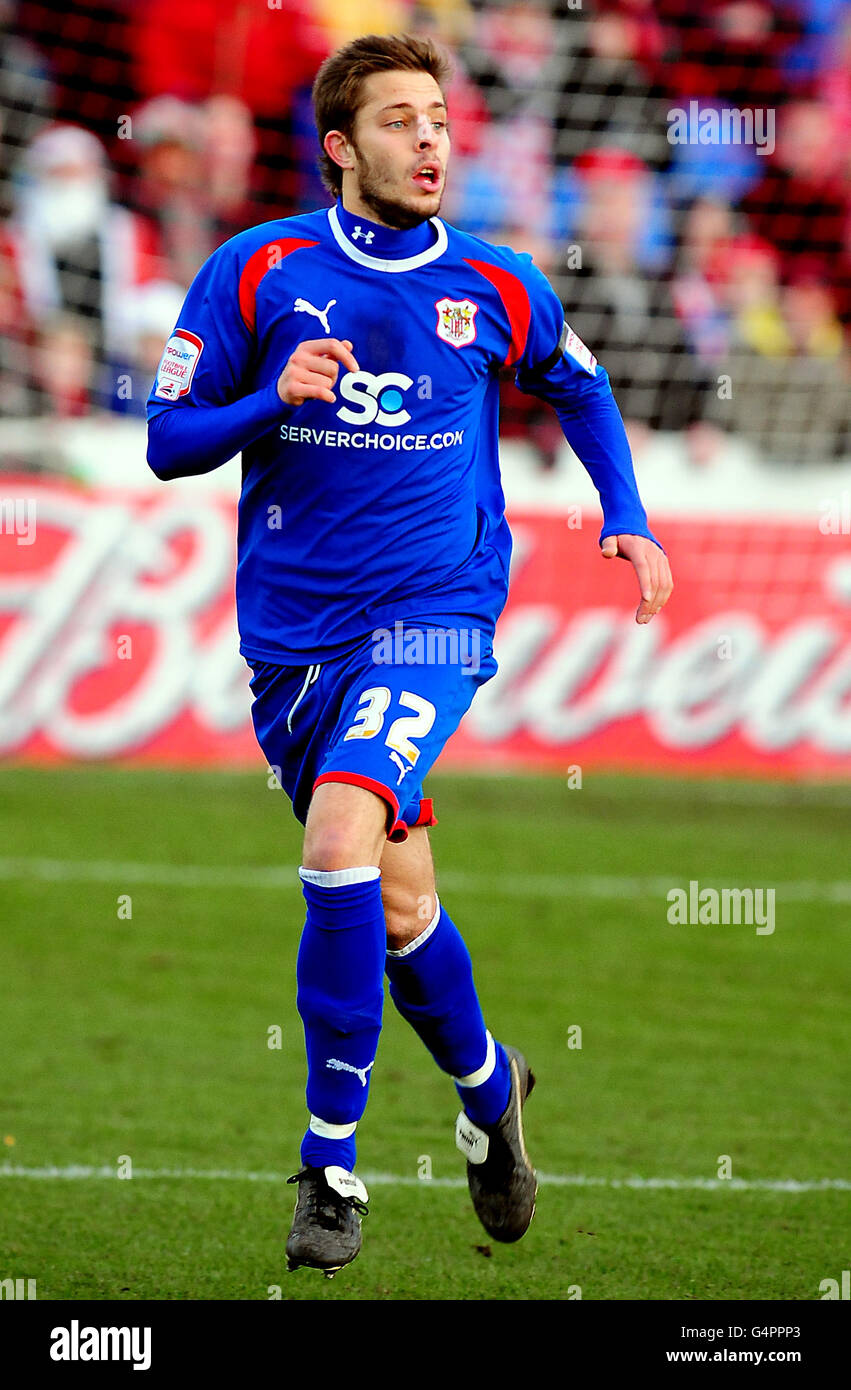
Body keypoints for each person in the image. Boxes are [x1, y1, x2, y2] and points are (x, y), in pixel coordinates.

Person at [146, 31, 673, 1278]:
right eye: (397, 120)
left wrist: (627, 516)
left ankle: (330, 1167)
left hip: (438, 615)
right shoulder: (254, 270)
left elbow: (579, 384)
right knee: (395, 902)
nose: (429, 138)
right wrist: (272, 395)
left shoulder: (495, 280)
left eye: (437, 116)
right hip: (293, 642)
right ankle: (493, 1098)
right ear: (338, 145)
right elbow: (169, 440)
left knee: (338, 836)